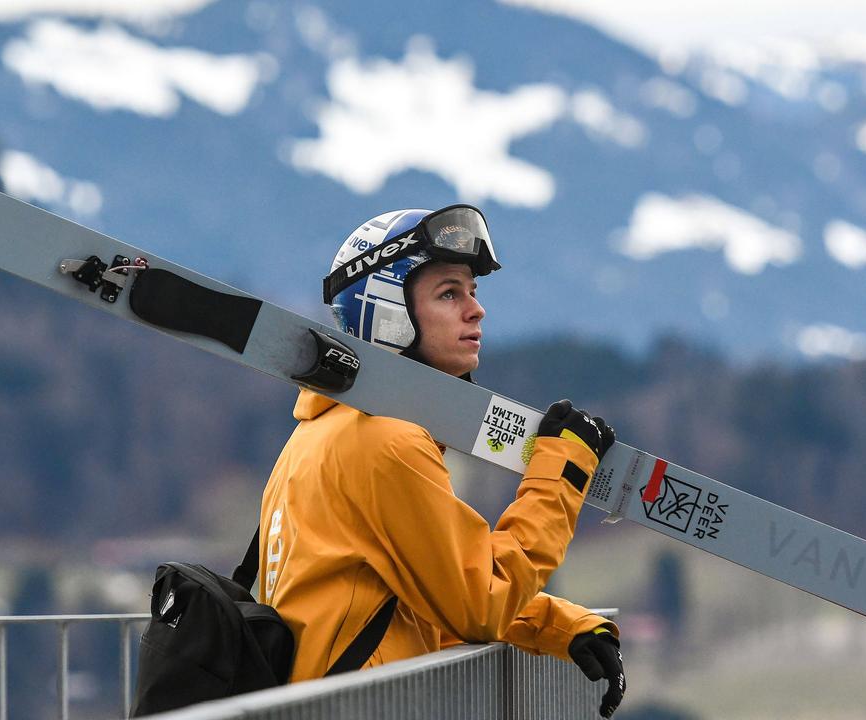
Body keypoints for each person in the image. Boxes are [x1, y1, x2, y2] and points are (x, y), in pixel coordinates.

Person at [259, 205, 626, 717]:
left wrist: (558, 627)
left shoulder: (322, 432)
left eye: (472, 293)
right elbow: (481, 604)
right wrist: (562, 472)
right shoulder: (385, 442)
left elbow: (427, 589)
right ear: (386, 311)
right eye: (449, 293)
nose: (476, 310)